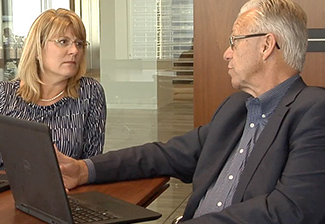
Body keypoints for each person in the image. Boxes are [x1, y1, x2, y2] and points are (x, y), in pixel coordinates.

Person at [56, 0, 325, 223]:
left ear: (266, 46)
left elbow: (291, 209)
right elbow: (166, 155)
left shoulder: (313, 110)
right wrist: (84, 169)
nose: (227, 54)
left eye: (235, 41)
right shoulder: (235, 109)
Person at [0, 8, 107, 170]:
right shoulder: (0, 94)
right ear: (37, 48)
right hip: (3, 191)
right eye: (63, 42)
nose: (74, 50)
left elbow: (90, 166)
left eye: (79, 43)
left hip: (62, 192)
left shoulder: (89, 93)